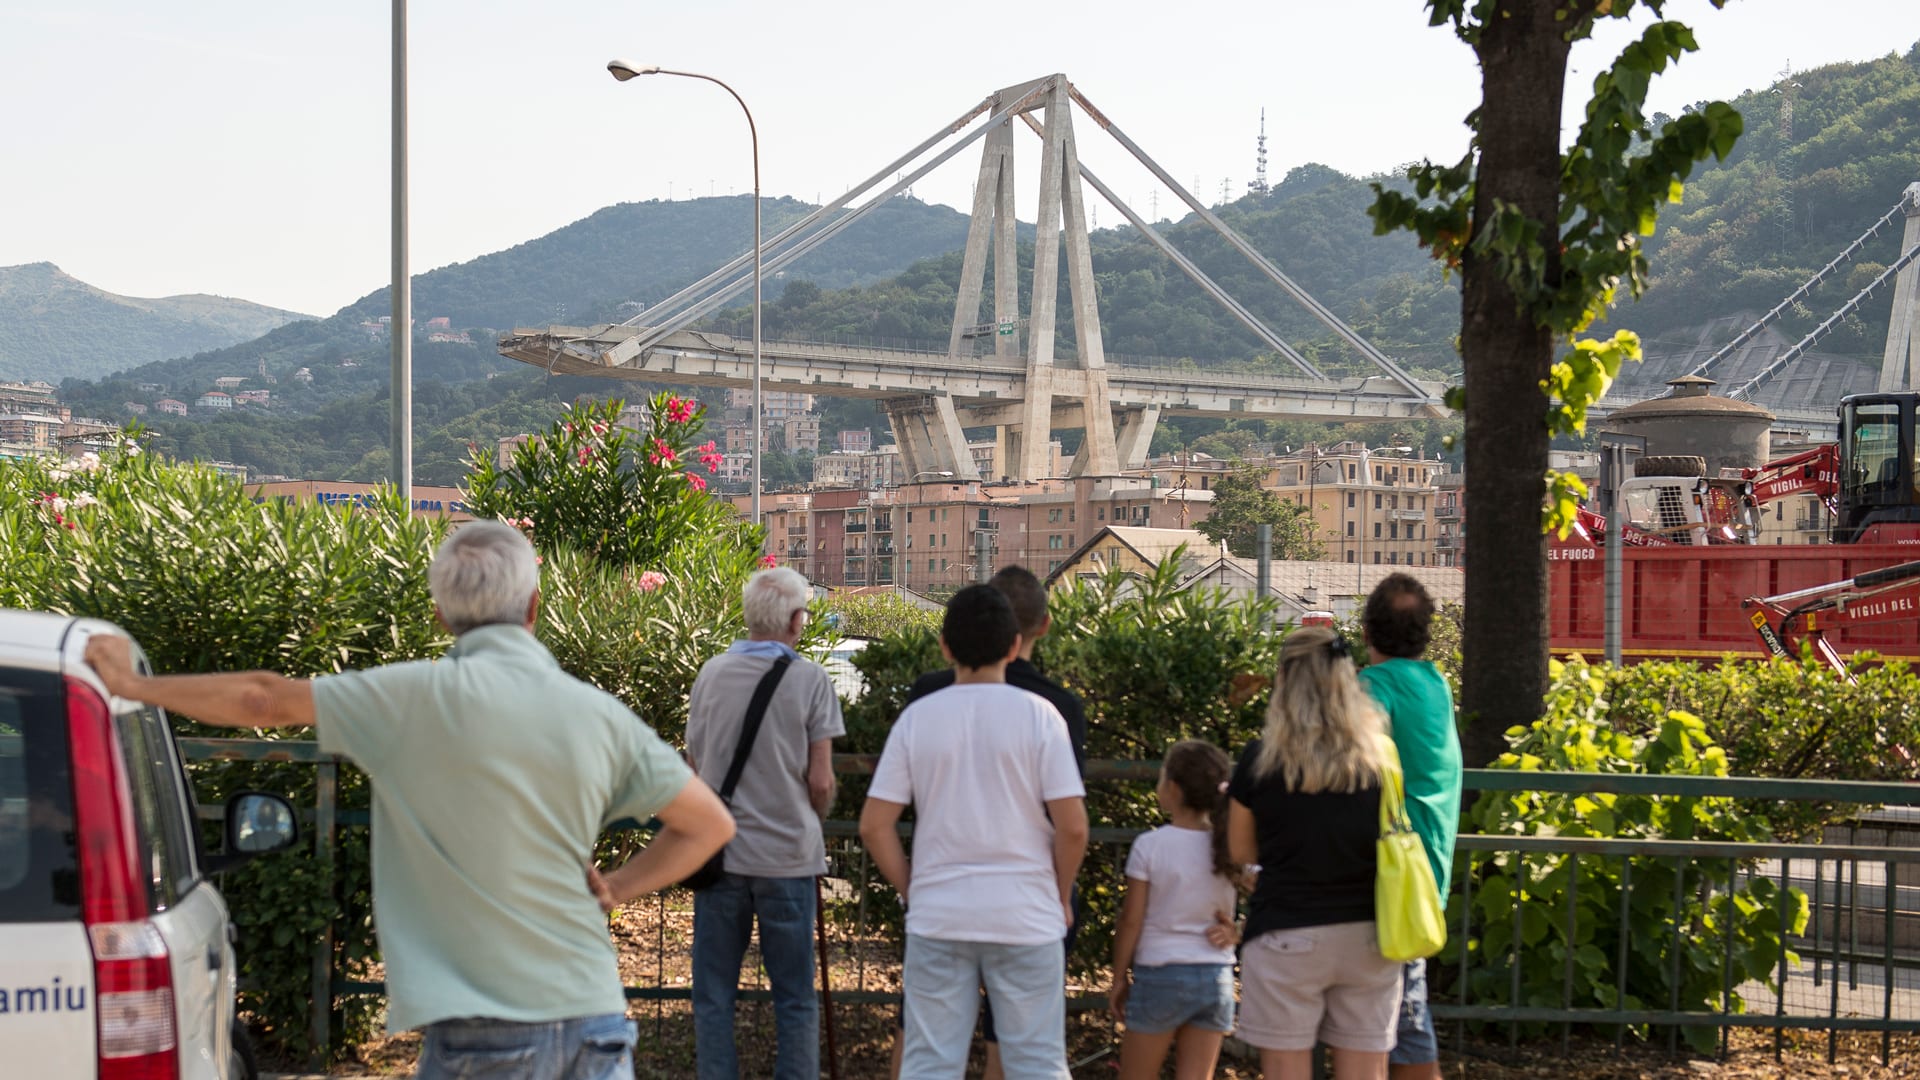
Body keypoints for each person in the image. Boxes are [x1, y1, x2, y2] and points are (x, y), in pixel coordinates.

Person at [83, 521, 736, 1080]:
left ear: (440, 615)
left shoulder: (405, 701)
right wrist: (617, 886)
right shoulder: (597, 715)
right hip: (597, 1022)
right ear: (534, 607)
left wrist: (129, 684)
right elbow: (708, 824)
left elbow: (264, 698)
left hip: (485, 1032)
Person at [859, 585, 1088, 1080]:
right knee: (1038, 1063)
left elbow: (875, 824)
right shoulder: (1042, 716)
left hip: (939, 913)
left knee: (929, 1063)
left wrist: (912, 889)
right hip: (1026, 913)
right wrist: (1060, 894)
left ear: (945, 646)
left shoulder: (919, 718)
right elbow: (1073, 828)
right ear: (1014, 645)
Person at [685, 567, 844, 1080]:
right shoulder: (812, 680)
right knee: (794, 997)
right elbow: (820, 781)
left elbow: (694, 765)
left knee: (713, 996)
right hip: (788, 859)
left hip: (720, 855)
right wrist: (810, 819)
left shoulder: (710, 674)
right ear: (796, 621)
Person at [1227, 625, 1402, 1080]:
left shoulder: (1260, 759)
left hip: (1285, 929)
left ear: (1284, 680)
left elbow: (1241, 849)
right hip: (1371, 932)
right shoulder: (1379, 758)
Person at [1358, 574, 1462, 1080]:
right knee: (1407, 1017)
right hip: (1424, 873)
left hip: (1386, 876)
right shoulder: (1436, 684)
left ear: (1365, 631)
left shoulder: (1372, 687)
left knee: (1379, 1030)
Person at [1108, 739, 1242, 1080]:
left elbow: (1131, 919)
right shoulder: (1229, 846)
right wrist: (1239, 930)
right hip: (1216, 977)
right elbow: (1275, 888)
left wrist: (1119, 976)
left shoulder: (1150, 846)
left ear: (1173, 788)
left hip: (1161, 975)